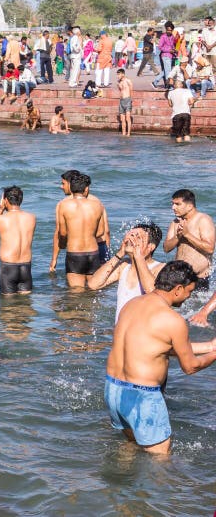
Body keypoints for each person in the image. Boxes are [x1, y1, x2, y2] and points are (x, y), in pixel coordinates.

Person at [105, 261, 216, 454]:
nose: (189, 297)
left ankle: (117, 484)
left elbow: (153, 347)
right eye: (188, 292)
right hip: (142, 396)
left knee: (131, 449)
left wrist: (209, 346)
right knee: (160, 464)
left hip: (113, 390)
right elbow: (190, 367)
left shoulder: (132, 305)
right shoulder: (173, 320)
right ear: (178, 289)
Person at [89, 222, 165, 322]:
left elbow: (153, 293)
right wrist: (120, 253)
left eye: (138, 237)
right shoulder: (124, 266)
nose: (132, 239)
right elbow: (93, 284)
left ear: (150, 247)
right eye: (131, 235)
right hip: (121, 332)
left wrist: (138, 257)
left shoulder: (160, 268)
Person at [53, 173, 106, 288]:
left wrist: (62, 244)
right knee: (93, 290)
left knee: (76, 293)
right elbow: (100, 232)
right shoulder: (97, 205)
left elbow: (62, 233)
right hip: (93, 253)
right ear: (86, 189)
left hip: (75, 254)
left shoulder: (64, 205)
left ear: (71, 187)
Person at [0, 186, 36, 295]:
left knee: (8, 308)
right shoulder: (31, 218)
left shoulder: (0, 219)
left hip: (8, 268)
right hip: (26, 267)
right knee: (26, 305)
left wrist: (0, 209)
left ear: (5, 200)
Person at [163, 189, 214, 291]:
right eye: (172, 204)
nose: (173, 207)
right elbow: (166, 248)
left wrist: (187, 235)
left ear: (190, 206)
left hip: (198, 278)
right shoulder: (175, 222)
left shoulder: (203, 219)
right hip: (178, 276)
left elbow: (210, 248)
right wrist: (178, 236)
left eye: (177, 204)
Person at [116, 68, 133, 137]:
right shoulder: (119, 82)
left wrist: (130, 99)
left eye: (119, 74)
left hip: (127, 100)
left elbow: (131, 90)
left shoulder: (128, 81)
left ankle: (128, 133)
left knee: (127, 118)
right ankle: (123, 133)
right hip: (121, 101)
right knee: (122, 119)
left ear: (123, 74)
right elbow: (121, 91)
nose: (118, 76)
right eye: (117, 74)